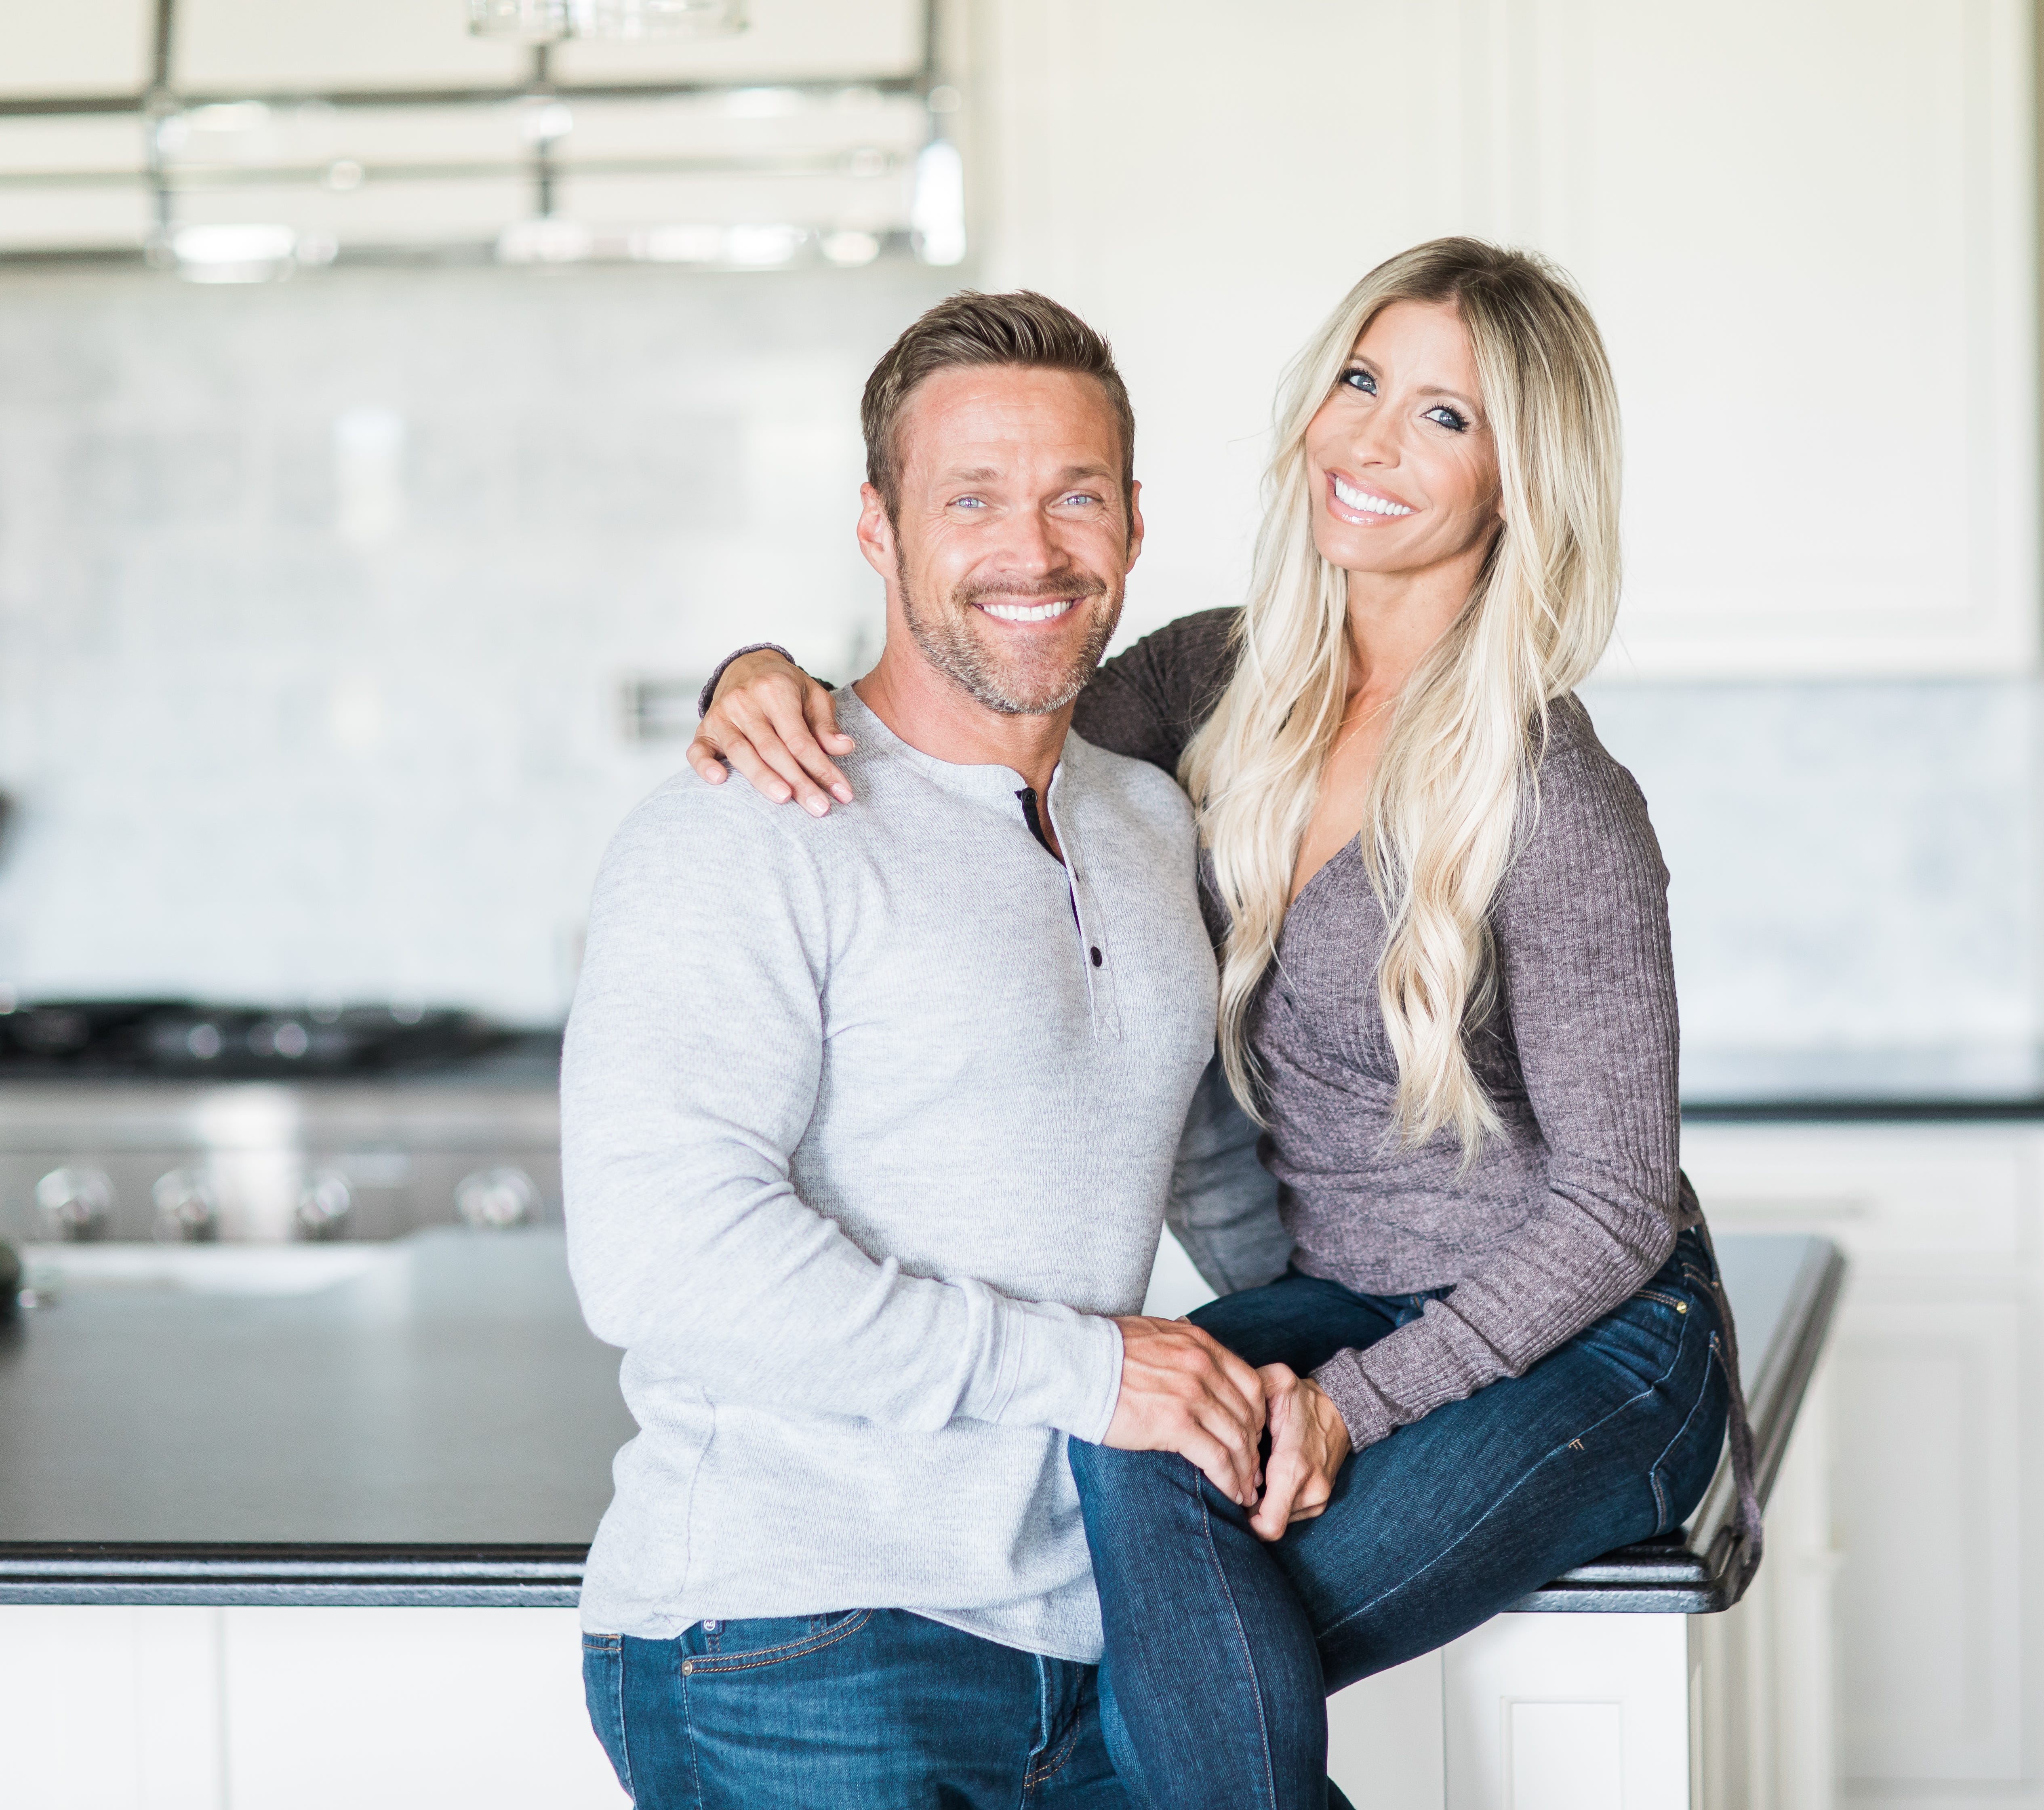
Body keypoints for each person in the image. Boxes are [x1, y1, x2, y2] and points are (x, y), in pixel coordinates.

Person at [691, 238, 1744, 1810]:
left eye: (1445, 417)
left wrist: (1350, 1405)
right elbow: (969, 712)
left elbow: (1612, 1208)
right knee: (1133, 1413)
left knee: (1169, 1678)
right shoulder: (1213, 679)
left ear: (1520, 479)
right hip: (1343, 1303)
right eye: (1362, 381)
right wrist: (765, 671)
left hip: (1597, 1347)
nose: (1371, 440)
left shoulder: (1559, 799)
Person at [563, 288, 1301, 1806]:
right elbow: (660, 1260)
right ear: (877, 529)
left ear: (1135, 523)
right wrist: (1089, 1371)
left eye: (1074, 496)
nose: (1032, 551)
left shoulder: (1147, 818)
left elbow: (1218, 1172)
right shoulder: (748, 824)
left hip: (1090, 1629)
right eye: (970, 499)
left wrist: (1408, 1355)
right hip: (796, 1642)